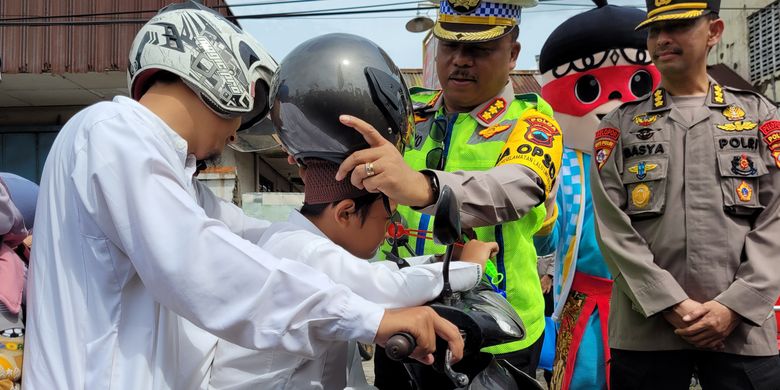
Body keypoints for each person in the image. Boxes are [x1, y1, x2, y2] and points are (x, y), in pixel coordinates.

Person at [21, 3, 464, 389]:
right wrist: (372, 319)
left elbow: (269, 243)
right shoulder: (112, 133)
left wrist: (434, 270)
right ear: (221, 74)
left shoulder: (171, 175)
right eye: (246, 112)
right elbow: (206, 266)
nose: (235, 133)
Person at [207, 33, 495, 390]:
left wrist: (436, 260)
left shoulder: (292, 241)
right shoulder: (306, 254)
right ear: (345, 212)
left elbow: (373, 274)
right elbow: (389, 287)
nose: (389, 231)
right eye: (388, 217)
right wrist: (472, 267)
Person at [334, 0, 564, 385]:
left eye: (479, 49)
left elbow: (519, 186)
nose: (460, 60)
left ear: (513, 54)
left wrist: (426, 187)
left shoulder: (532, 121)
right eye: (450, 46)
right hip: (404, 314)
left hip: (494, 326)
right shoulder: (408, 114)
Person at [591, 1, 780, 388]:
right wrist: (668, 303)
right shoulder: (620, 124)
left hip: (742, 331)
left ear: (714, 31)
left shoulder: (759, 116)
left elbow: (776, 218)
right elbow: (612, 227)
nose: (662, 39)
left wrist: (734, 306)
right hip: (647, 330)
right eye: (654, 30)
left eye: (678, 26)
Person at [533, 2, 661, 389]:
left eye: (638, 84)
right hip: (584, 303)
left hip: (655, 303)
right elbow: (545, 243)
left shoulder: (671, 154)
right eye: (589, 89)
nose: (615, 102)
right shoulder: (562, 165)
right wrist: (545, 208)